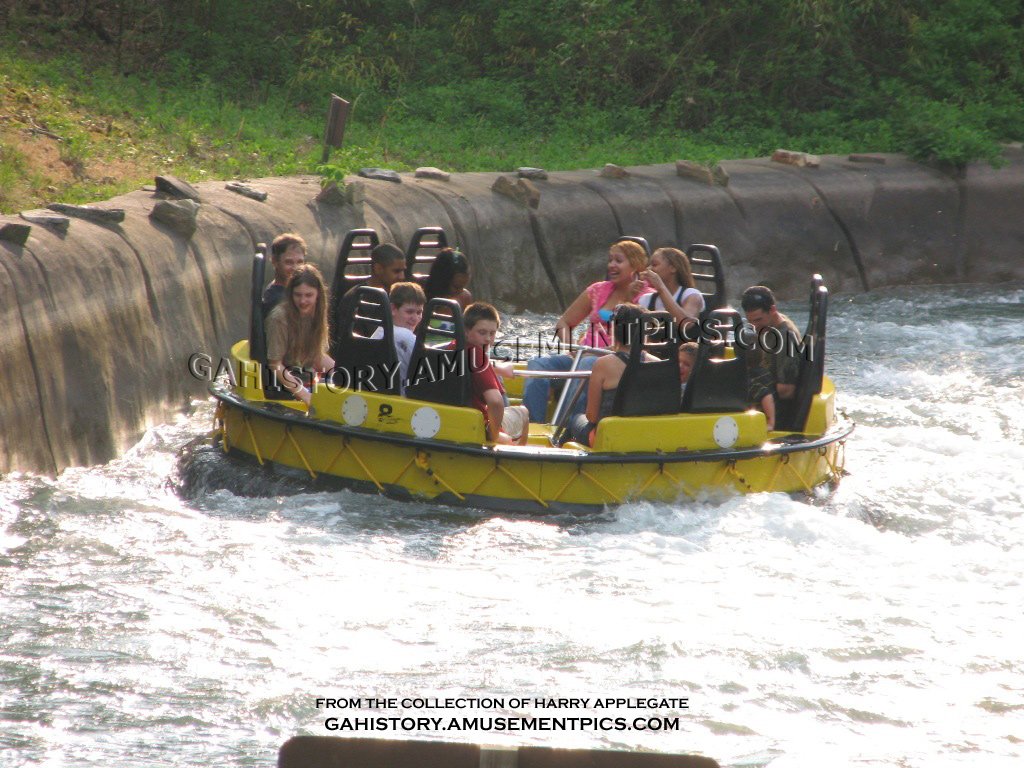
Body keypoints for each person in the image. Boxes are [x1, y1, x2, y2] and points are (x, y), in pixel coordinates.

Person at [523, 240, 650, 423]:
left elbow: (638, 332)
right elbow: (564, 322)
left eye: (618, 260)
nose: (611, 265)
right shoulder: (598, 290)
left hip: (614, 361)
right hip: (582, 354)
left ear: (635, 265)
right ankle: (533, 424)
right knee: (538, 363)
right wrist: (572, 348)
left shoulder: (646, 296)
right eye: (610, 260)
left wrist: (630, 297)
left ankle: (562, 428)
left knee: (588, 362)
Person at [566, 304, 652, 446]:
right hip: (646, 436)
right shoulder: (659, 363)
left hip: (610, 437)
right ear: (644, 333)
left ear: (614, 332)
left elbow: (592, 417)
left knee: (575, 419)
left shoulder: (603, 364)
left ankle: (560, 445)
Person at [265, 264, 335, 406]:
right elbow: (275, 364)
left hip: (307, 377)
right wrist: (305, 395)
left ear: (318, 295)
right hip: (283, 383)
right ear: (291, 294)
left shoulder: (317, 314)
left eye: (309, 295)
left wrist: (346, 376)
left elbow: (317, 356)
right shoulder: (279, 318)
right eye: (298, 295)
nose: (303, 301)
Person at [462, 302, 530, 445]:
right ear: (466, 331)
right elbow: (495, 401)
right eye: (482, 332)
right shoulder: (478, 356)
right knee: (523, 412)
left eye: (492, 333)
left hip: (454, 419)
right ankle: (518, 454)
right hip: (477, 425)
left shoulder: (448, 349)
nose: (488, 338)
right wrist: (494, 435)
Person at [741, 285, 800, 430]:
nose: (754, 326)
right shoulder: (767, 326)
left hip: (777, 412)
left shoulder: (786, 337)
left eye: (758, 320)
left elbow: (786, 390)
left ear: (772, 310)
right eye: (750, 321)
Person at [370, 281, 424, 395]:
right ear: (393, 309)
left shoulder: (379, 331)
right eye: (409, 312)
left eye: (419, 312)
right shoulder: (406, 336)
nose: (415, 318)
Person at [638, 247, 705, 336]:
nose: (649, 269)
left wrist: (661, 288)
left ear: (673, 268)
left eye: (654, 265)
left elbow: (685, 324)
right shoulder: (646, 299)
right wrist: (629, 296)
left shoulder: (692, 295)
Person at [262, 233, 306, 318]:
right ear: (275, 262)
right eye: (289, 262)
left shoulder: (291, 291)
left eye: (300, 262)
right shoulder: (276, 299)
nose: (295, 268)